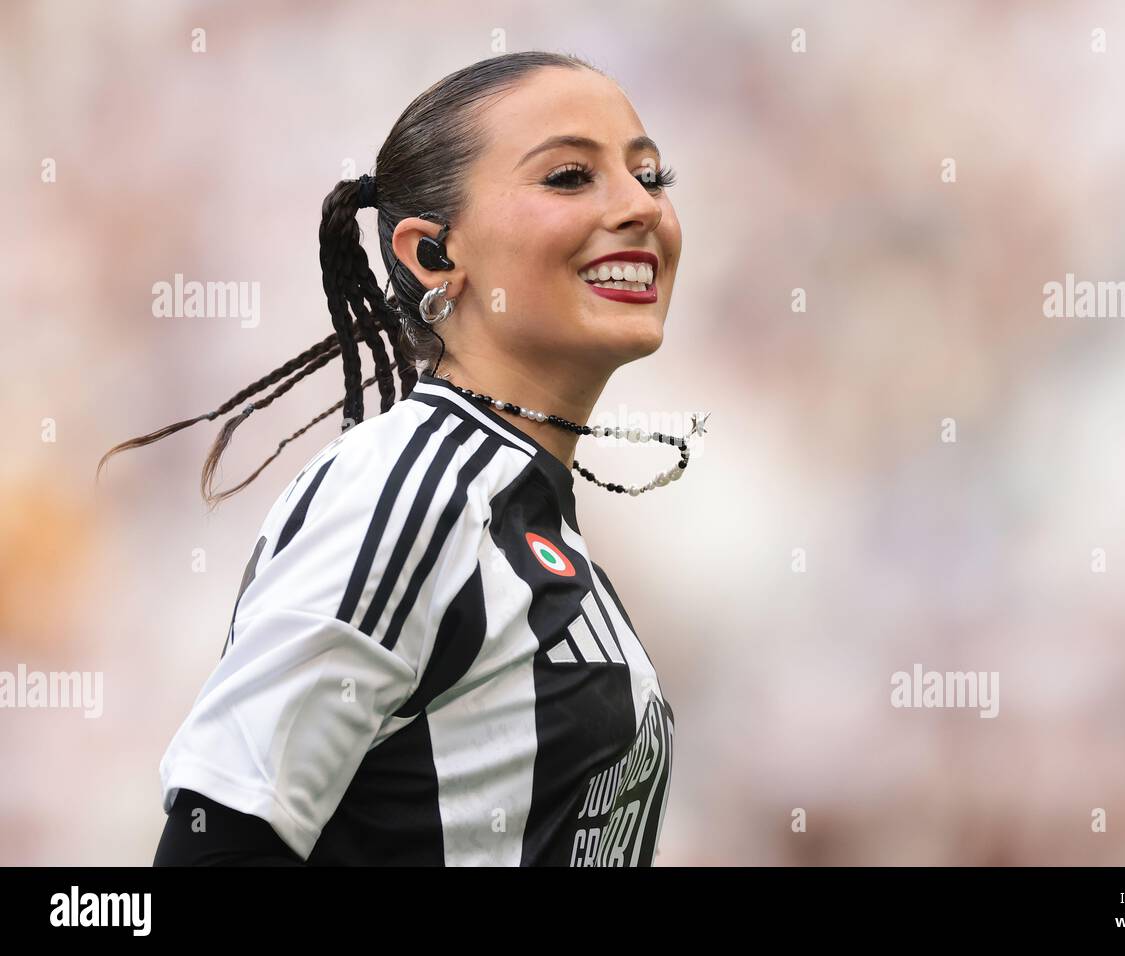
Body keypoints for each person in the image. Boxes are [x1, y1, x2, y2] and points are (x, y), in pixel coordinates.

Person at [99, 51, 707, 866]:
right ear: (432, 256)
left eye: (652, 175)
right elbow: (216, 846)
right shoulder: (412, 489)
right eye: (569, 176)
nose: (639, 207)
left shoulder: (520, 513)